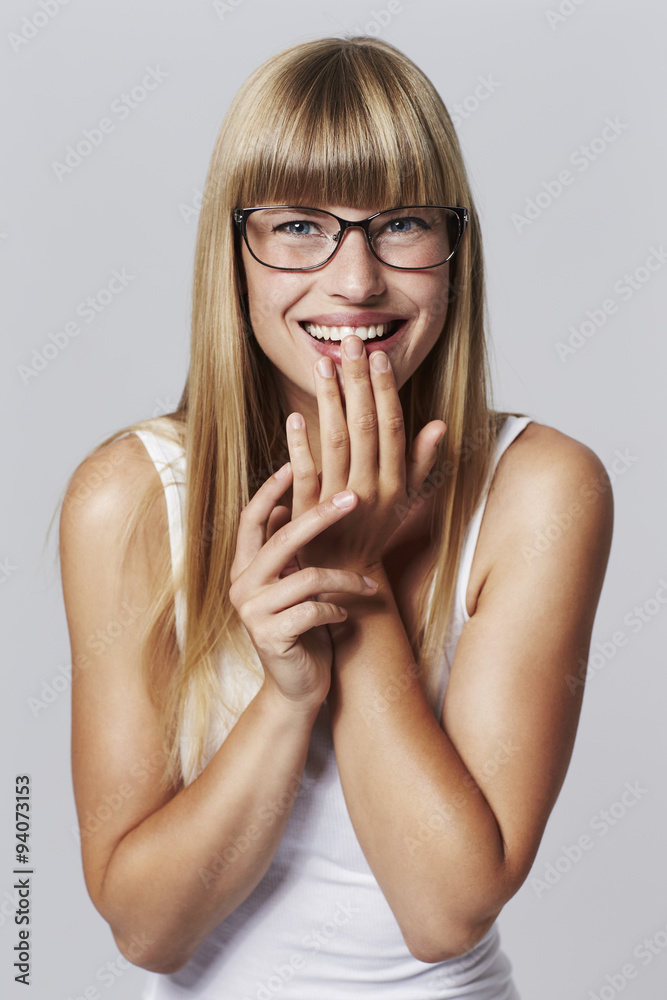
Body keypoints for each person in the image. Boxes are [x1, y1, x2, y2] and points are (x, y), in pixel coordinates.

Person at [59, 35, 613, 999]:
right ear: (234, 250)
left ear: (454, 246)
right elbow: (147, 929)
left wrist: (350, 591)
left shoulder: (542, 488)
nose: (355, 282)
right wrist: (283, 695)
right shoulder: (130, 496)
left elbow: (445, 910)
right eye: (300, 227)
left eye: (399, 224)